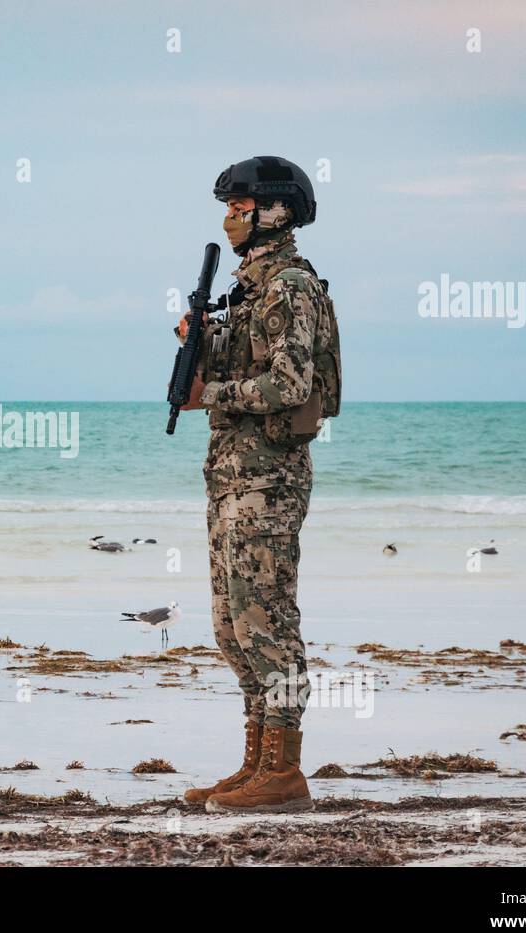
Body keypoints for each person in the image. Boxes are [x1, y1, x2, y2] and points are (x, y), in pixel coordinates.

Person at [178, 156, 341, 813]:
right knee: (233, 627)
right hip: (232, 471)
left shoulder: (291, 285)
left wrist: (210, 389)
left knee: (267, 622)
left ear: (274, 211)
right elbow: (247, 365)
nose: (231, 217)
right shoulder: (251, 286)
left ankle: (285, 772)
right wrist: (201, 342)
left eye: (240, 207)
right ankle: (256, 764)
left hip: (269, 475)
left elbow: (291, 385)